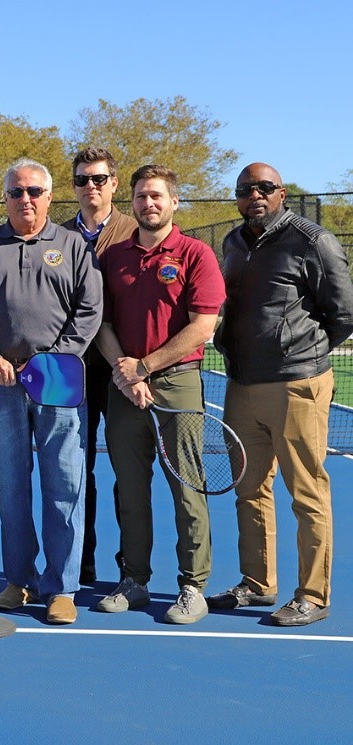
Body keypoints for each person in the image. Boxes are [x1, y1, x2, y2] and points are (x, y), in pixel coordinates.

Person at [0, 158, 101, 625]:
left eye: (34, 191)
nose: (26, 199)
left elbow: (89, 310)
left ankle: (62, 588)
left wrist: (53, 362)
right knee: (11, 487)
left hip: (58, 382)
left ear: (49, 196)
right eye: (16, 192)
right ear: (6, 198)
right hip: (0, 384)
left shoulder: (73, 246)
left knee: (65, 485)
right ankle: (20, 580)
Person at [211, 162, 353, 626]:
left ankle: (313, 595)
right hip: (241, 384)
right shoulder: (233, 244)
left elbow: (343, 314)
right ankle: (257, 583)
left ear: (281, 193)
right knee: (249, 489)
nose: (255, 195)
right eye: (245, 189)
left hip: (295, 384)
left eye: (264, 187)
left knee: (307, 493)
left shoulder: (313, 241)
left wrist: (298, 355)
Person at [94, 165, 225, 625]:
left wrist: (146, 367)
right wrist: (127, 375)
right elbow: (101, 325)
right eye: (141, 196)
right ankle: (134, 580)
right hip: (124, 388)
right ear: (130, 202)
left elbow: (202, 327)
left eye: (156, 196)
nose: (148, 203)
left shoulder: (196, 254)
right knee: (130, 490)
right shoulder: (113, 257)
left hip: (177, 385)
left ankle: (193, 587)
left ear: (174, 202)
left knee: (187, 489)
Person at [60, 147, 138, 586]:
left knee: (127, 473)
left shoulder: (136, 232)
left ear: (113, 184)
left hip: (123, 372)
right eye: (82, 179)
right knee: (73, 472)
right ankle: (79, 562)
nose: (90, 186)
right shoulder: (56, 236)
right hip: (71, 373)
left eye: (99, 179)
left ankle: (131, 567)